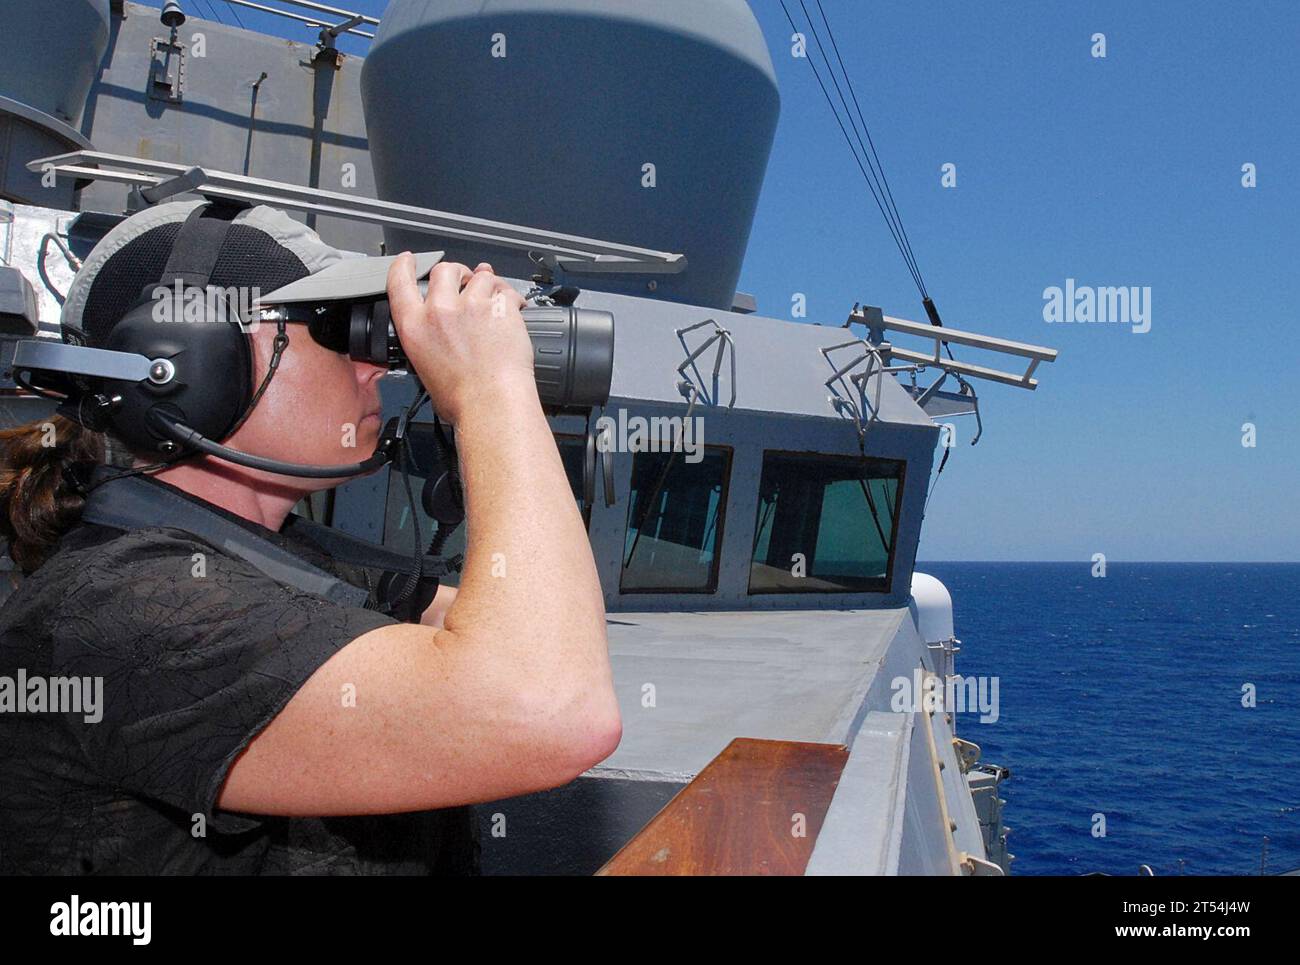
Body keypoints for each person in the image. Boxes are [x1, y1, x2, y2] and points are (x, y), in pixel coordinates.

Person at [0, 201, 621, 874]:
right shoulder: (128, 609)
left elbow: (542, 634)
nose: (377, 368)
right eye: (336, 330)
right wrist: (493, 389)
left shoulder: (270, 557)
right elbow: (553, 708)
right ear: (188, 362)